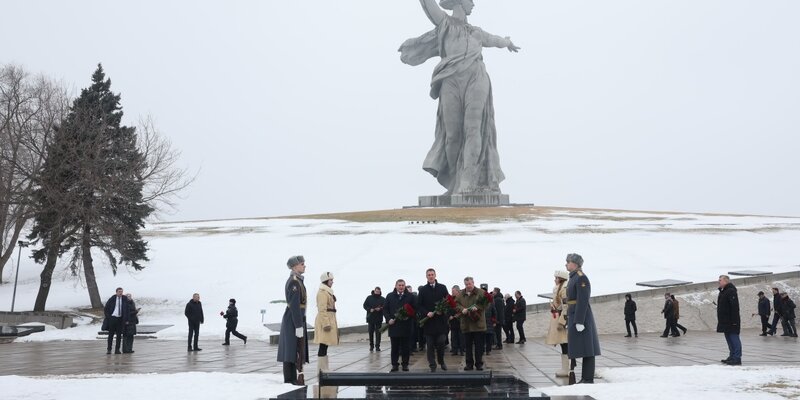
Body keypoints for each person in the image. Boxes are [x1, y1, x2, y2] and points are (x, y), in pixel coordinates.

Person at [401, 0, 520, 195]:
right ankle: (456, 182)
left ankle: (468, 181)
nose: (473, 4)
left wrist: (507, 42)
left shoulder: (476, 32)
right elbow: (429, 7)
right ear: (460, 2)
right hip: (450, 80)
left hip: (476, 77)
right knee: (452, 135)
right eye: (470, 1)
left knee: (473, 128)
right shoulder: (445, 23)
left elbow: (495, 40)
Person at [565, 253, 601, 384]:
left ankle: (588, 378)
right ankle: (585, 377)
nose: (566, 264)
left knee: (588, 348)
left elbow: (583, 300)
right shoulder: (573, 278)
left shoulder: (581, 278)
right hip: (575, 315)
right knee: (584, 348)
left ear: (575, 264)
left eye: (568, 262)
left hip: (582, 317)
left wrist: (579, 321)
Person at [277, 255, 309, 385]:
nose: (304, 266)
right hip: (293, 318)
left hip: (295, 318)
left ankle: (292, 378)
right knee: (291, 349)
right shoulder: (294, 282)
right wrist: (298, 325)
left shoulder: (297, 280)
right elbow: (295, 305)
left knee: (293, 348)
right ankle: (290, 379)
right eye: (302, 264)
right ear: (295, 266)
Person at [418, 268, 450, 372]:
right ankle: (432, 365)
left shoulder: (442, 287)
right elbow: (419, 305)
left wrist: (443, 311)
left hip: (441, 322)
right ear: (426, 276)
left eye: (432, 274)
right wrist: (426, 313)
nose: (431, 276)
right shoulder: (422, 290)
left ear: (435, 275)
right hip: (429, 323)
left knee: (441, 342)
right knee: (430, 345)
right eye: (429, 275)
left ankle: (441, 361)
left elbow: (448, 302)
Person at [455, 276, 488, 371]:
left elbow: (487, 303)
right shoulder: (461, 294)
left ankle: (479, 364)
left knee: (479, 346)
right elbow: (455, 304)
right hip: (466, 324)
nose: (468, 286)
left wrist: (478, 307)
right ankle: (469, 364)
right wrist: (462, 309)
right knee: (467, 346)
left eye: (469, 284)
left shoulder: (481, 292)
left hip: (478, 324)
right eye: (466, 284)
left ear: (473, 283)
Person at [546, 270, 573, 377]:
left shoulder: (564, 288)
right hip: (560, 317)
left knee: (565, 343)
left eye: (556, 278)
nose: (555, 279)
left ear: (561, 278)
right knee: (563, 343)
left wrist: (562, 322)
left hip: (563, 319)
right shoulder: (560, 288)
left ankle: (567, 369)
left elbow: (566, 306)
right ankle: (566, 368)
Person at [384, 279, 414, 372]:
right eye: (399, 285)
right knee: (395, 347)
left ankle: (405, 364)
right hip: (394, 326)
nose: (401, 287)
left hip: (406, 325)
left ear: (405, 286)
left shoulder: (410, 296)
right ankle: (394, 365)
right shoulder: (389, 296)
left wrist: (408, 316)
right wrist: (389, 319)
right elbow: (385, 309)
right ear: (396, 286)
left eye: (402, 285)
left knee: (406, 347)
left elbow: (414, 308)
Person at [314, 271, 339, 372]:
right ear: (326, 281)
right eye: (331, 280)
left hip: (329, 318)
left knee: (325, 345)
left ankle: (324, 368)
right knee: (323, 345)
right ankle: (322, 369)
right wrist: (326, 323)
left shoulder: (327, 292)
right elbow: (322, 309)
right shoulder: (322, 293)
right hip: (325, 320)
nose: (332, 282)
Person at [717, 275, 741, 365]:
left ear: (726, 281)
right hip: (725, 321)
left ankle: (737, 358)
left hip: (731, 321)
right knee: (729, 340)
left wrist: (734, 322)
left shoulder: (731, 291)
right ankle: (732, 356)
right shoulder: (723, 292)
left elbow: (734, 307)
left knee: (734, 339)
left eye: (720, 280)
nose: (718, 282)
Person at [103, 287, 127, 355]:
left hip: (120, 319)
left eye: (121, 291)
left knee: (119, 335)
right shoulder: (112, 298)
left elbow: (126, 308)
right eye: (119, 291)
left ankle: (117, 349)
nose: (120, 293)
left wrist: (125, 318)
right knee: (111, 335)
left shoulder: (124, 299)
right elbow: (106, 308)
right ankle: (109, 349)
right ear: (116, 292)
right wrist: (109, 317)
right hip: (113, 318)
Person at [363, 286, 385, 352]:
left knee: (378, 333)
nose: (377, 292)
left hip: (378, 318)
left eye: (378, 292)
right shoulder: (369, 298)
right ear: (374, 291)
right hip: (371, 318)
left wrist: (380, 308)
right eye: (376, 291)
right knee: (371, 332)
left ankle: (377, 346)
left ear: (380, 292)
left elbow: (385, 306)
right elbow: (364, 305)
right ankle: (371, 346)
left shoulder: (383, 299)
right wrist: (369, 309)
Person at [448, 285, 465, 355]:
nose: (452, 292)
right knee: (453, 336)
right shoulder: (450, 299)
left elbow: (464, 308)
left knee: (461, 336)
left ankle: (461, 350)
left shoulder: (462, 299)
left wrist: (456, 316)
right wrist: (448, 316)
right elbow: (448, 309)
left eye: (453, 291)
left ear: (458, 291)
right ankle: (454, 350)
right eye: (451, 291)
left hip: (460, 320)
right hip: (452, 321)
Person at [480, 283, 496, 355]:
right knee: (481, 338)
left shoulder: (491, 301)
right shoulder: (478, 300)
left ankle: (488, 350)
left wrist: (494, 320)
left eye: (484, 291)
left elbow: (494, 312)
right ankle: (482, 349)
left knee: (489, 337)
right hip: (481, 322)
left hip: (489, 321)